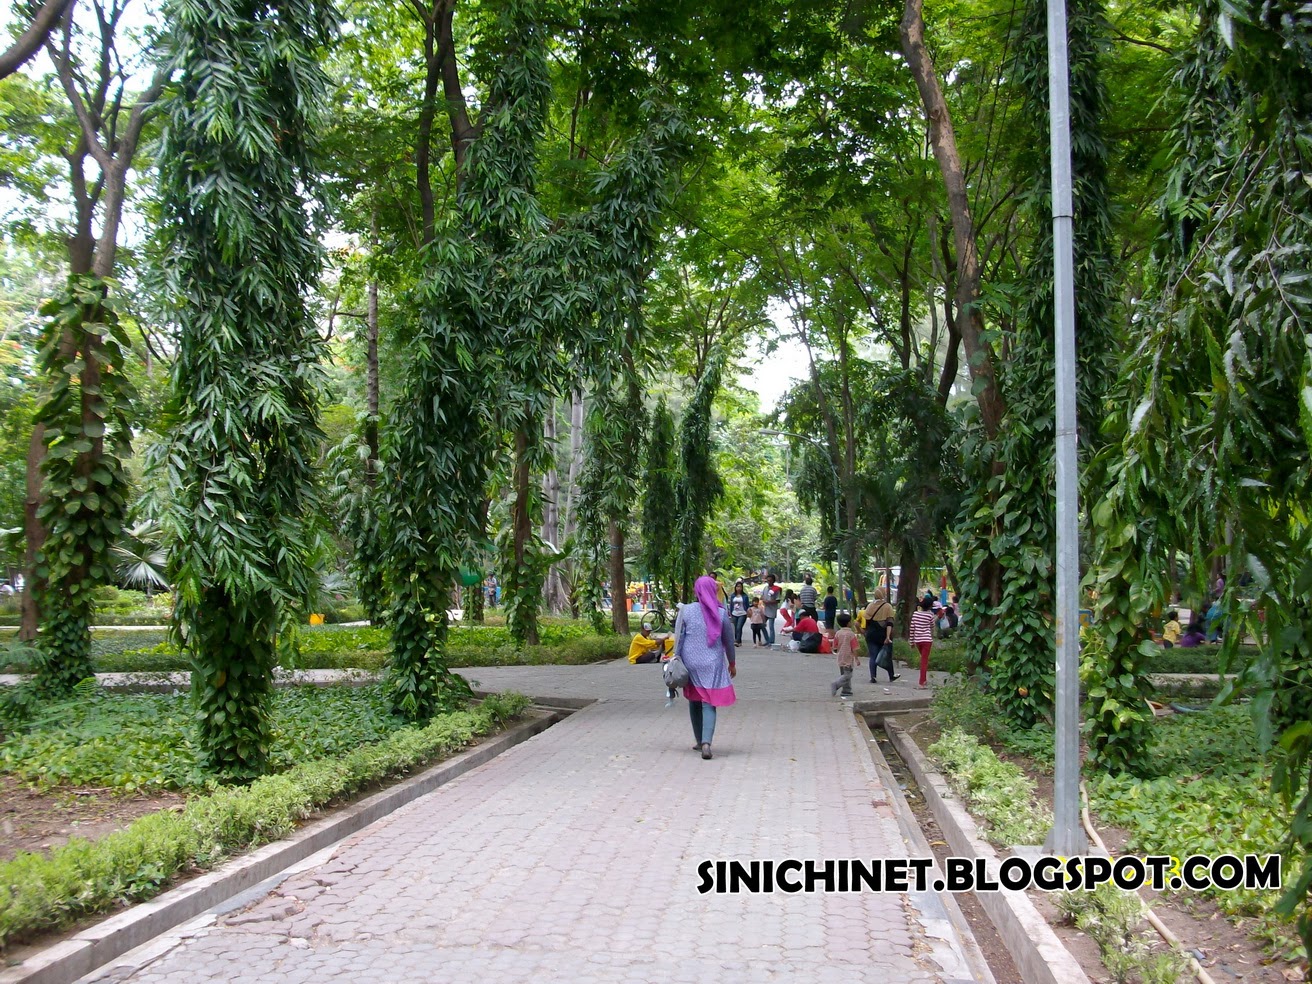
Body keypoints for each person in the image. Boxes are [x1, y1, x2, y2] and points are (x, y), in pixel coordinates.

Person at [672, 575, 737, 760]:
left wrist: (675, 657)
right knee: (709, 703)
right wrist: (732, 663)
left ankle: (699, 741)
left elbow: (680, 636)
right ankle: (707, 743)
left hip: (690, 661)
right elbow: (728, 641)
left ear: (697, 591)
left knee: (694, 700)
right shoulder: (721, 613)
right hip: (713, 663)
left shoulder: (686, 610)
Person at [863, 588, 898, 683]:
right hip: (882, 634)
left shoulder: (869, 606)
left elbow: (866, 622)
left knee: (873, 656)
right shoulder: (887, 606)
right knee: (887, 654)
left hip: (871, 634)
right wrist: (888, 636)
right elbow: (890, 623)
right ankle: (891, 675)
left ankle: (873, 676)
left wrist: (865, 633)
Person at [830, 612, 862, 698]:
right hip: (848, 657)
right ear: (848, 623)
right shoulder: (851, 634)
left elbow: (835, 645)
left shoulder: (838, 633)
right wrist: (857, 659)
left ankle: (846, 690)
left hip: (840, 656)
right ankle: (836, 684)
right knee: (848, 675)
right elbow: (854, 647)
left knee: (843, 673)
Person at [910, 595, 936, 689]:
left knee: (923, 659)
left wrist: (911, 642)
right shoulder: (930, 615)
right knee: (924, 661)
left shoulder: (915, 614)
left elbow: (912, 628)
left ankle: (923, 680)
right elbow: (932, 627)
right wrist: (932, 636)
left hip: (918, 640)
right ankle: (922, 682)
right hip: (927, 640)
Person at [761, 574, 782, 648]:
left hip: (772, 610)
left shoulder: (776, 589)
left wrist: (769, 602)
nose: (769, 582)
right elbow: (762, 596)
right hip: (765, 609)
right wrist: (763, 600)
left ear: (773, 581)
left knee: (771, 626)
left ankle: (772, 641)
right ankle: (767, 640)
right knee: (762, 625)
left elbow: (778, 600)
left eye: (770, 580)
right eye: (768, 580)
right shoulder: (765, 588)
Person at [728, 580, 751, 646]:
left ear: (742, 588)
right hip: (734, 613)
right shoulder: (733, 595)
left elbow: (747, 605)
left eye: (740, 587)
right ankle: (738, 641)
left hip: (742, 613)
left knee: (739, 627)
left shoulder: (745, 596)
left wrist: (748, 612)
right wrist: (731, 613)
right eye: (737, 587)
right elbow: (731, 605)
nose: (739, 588)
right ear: (735, 587)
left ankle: (737, 641)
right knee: (736, 628)